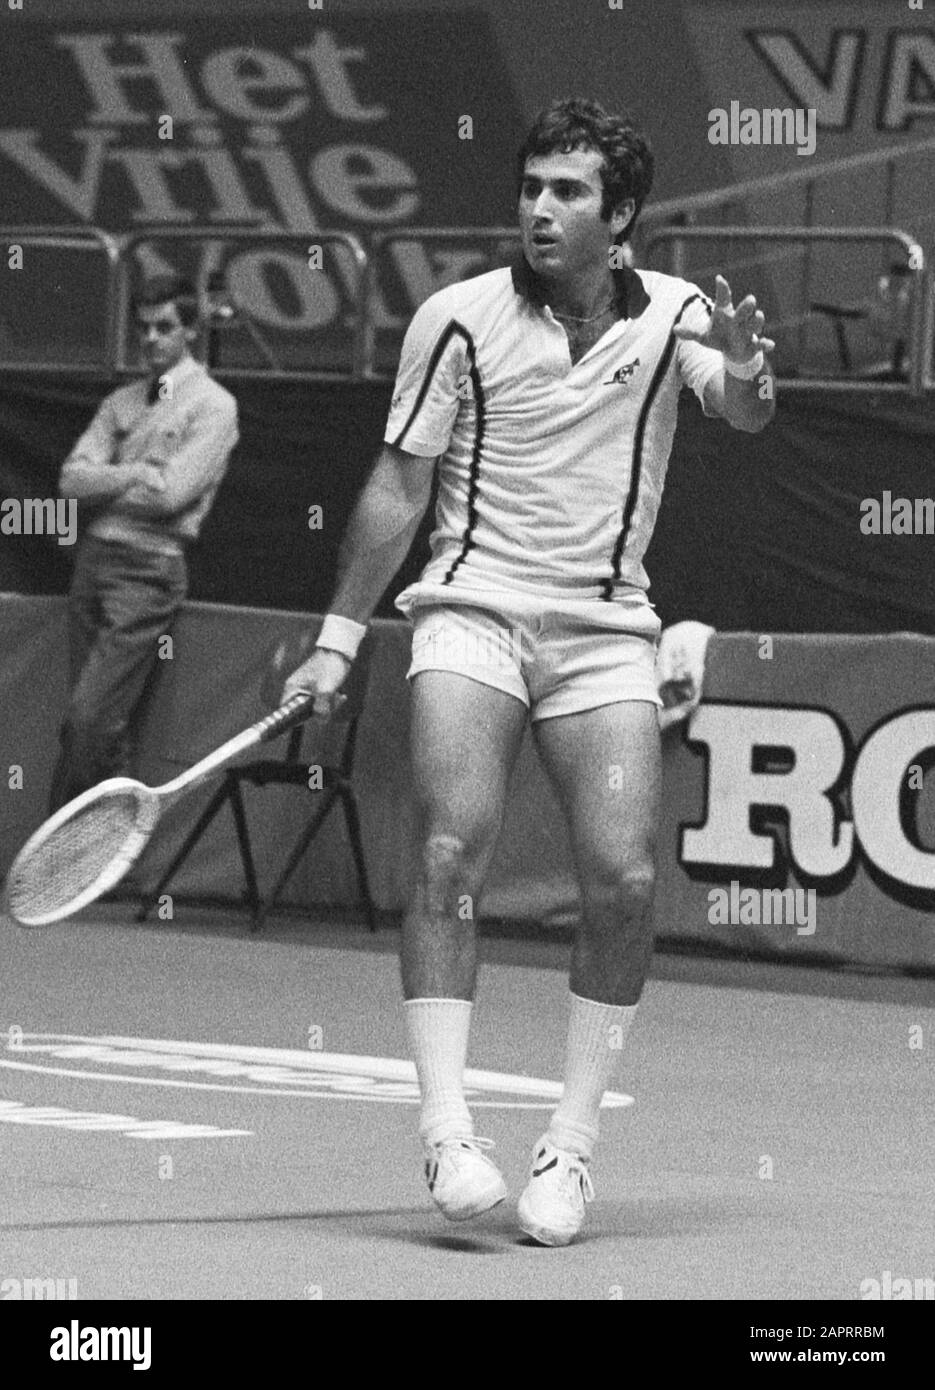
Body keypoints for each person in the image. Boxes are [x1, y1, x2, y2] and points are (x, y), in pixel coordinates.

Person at [283, 97, 775, 1245]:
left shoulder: (677, 318)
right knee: (451, 844)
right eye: (529, 186)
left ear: (622, 218)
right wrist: (335, 639)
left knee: (620, 880)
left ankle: (569, 1147)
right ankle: (449, 1132)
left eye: (566, 192)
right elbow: (398, 490)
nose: (538, 208)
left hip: (604, 630)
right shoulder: (456, 320)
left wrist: (751, 376)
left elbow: (739, 408)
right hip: (471, 616)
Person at [50, 276, 239, 812]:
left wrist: (108, 480)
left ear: (191, 332)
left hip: (149, 570)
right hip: (93, 563)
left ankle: (61, 857)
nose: (151, 339)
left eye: (165, 327)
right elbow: (69, 482)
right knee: (95, 725)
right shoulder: (122, 400)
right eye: (143, 328)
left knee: (88, 718)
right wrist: (139, 472)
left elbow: (171, 496)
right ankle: (110, 867)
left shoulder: (213, 406)